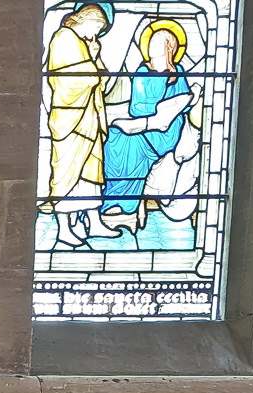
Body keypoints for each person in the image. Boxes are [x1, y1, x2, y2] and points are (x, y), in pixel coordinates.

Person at [95, 18, 197, 237]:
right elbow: (138, 107)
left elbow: (183, 105)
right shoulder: (142, 71)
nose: (153, 46)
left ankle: (127, 206)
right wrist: (159, 97)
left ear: (170, 48)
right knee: (114, 137)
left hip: (166, 132)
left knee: (129, 141)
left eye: (160, 42)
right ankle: (113, 202)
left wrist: (176, 102)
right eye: (151, 41)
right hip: (144, 125)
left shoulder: (178, 72)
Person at [42, 2, 113, 247]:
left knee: (91, 172)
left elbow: (100, 79)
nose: (96, 34)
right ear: (83, 19)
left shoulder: (84, 42)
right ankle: (64, 228)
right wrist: (92, 61)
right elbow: (66, 81)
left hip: (90, 117)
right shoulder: (63, 38)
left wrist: (95, 62)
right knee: (68, 173)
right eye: (95, 27)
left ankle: (94, 222)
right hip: (70, 119)